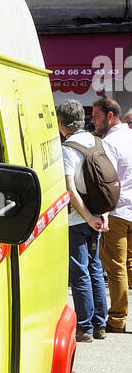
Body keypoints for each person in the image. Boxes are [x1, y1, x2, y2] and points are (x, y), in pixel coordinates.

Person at [56, 99, 108, 343]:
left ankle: (85, 327)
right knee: (95, 268)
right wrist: (101, 216)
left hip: (78, 219)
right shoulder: (96, 142)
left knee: (80, 272)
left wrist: (86, 217)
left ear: (61, 122)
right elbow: (104, 183)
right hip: (98, 217)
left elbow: (69, 188)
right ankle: (100, 324)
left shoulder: (68, 148)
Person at [92, 95, 132, 333]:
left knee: (116, 267)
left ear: (110, 116)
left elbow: (106, 182)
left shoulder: (108, 143)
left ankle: (117, 319)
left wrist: (101, 211)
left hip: (116, 211)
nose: (93, 121)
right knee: (130, 265)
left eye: (96, 116)